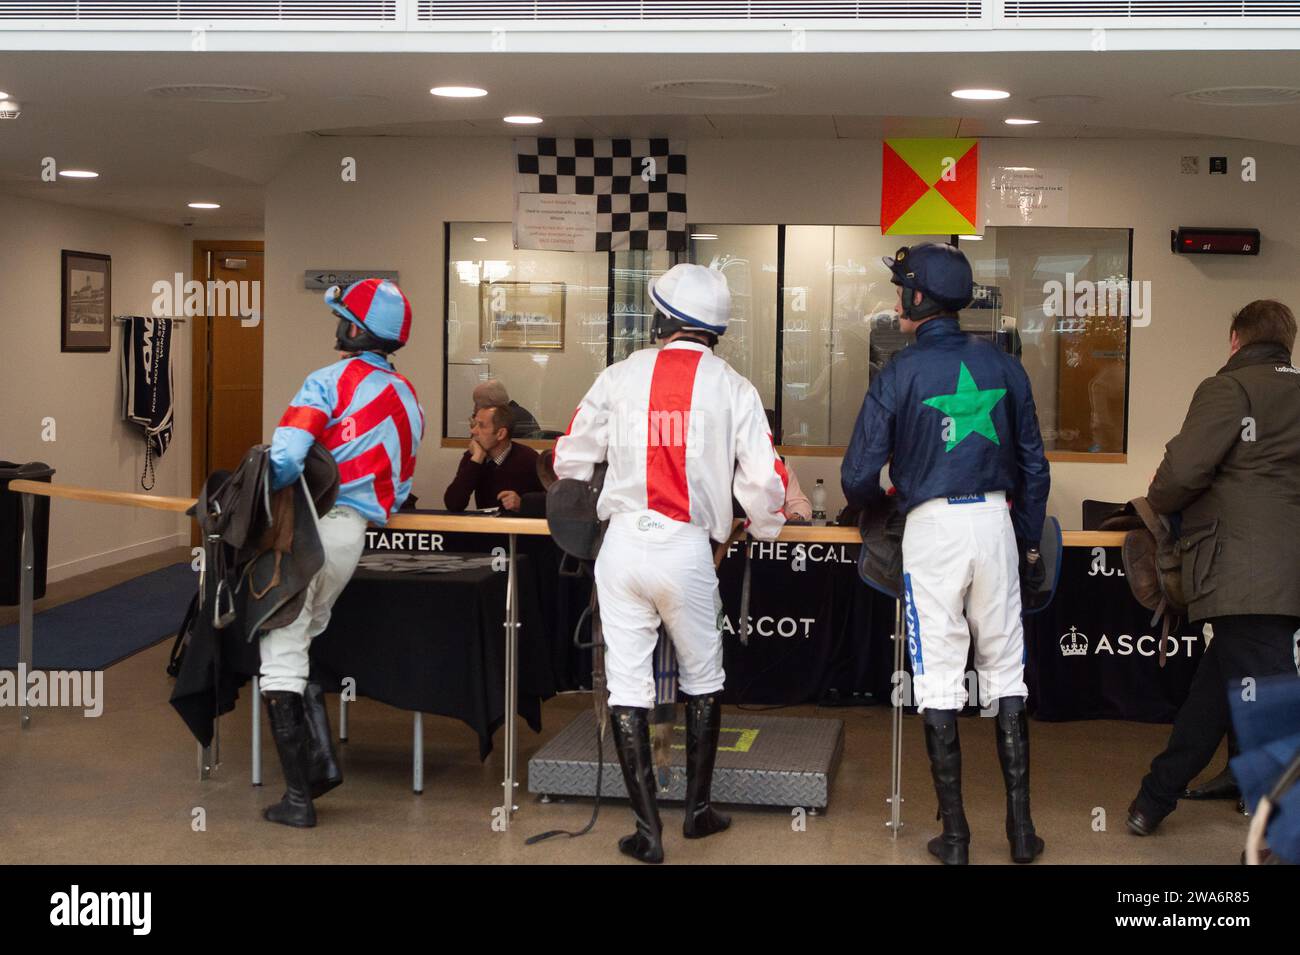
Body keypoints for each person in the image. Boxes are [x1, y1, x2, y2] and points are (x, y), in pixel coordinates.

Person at [553, 263, 789, 864]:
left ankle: (646, 832)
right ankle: (699, 813)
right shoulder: (735, 386)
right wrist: (763, 526)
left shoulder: (618, 375)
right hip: (688, 551)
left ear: (661, 320)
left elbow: (571, 459)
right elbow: (764, 484)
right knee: (704, 678)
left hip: (624, 545)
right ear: (715, 331)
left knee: (628, 687)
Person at [841, 243, 1051, 865]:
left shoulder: (898, 371)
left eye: (900, 289)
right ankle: (1020, 833)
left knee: (937, 676)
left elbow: (857, 474)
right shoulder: (1008, 367)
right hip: (995, 521)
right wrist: (1027, 540)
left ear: (913, 300)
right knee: (1006, 671)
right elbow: (1035, 466)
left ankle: (955, 837)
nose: (896, 299)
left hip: (931, 529)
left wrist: (881, 501)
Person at [1127, 300, 1300, 837]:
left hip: (1241, 572)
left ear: (1234, 340)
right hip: (1284, 575)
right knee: (1214, 692)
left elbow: (1181, 473)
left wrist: (1158, 496)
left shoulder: (1229, 388)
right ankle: (1152, 799)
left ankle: (1284, 826)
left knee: (1273, 706)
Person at [262, 278, 424, 827]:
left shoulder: (325, 381)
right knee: (303, 635)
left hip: (307, 529)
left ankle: (297, 801)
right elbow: (399, 485)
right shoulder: (409, 397)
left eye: (341, 317)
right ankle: (321, 766)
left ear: (355, 329)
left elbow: (284, 459)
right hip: (353, 535)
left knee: (280, 647)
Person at [443, 403, 544, 513]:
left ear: (500, 434)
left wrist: (523, 504)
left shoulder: (528, 458)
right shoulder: (473, 456)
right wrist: (476, 460)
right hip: (486, 527)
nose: (473, 431)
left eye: (481, 426)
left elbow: (554, 502)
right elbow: (453, 504)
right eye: (474, 425)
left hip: (518, 528)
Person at [473, 378, 541, 439]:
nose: (474, 409)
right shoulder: (517, 411)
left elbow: (479, 441)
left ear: (491, 404)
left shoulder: (505, 418)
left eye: (477, 404)